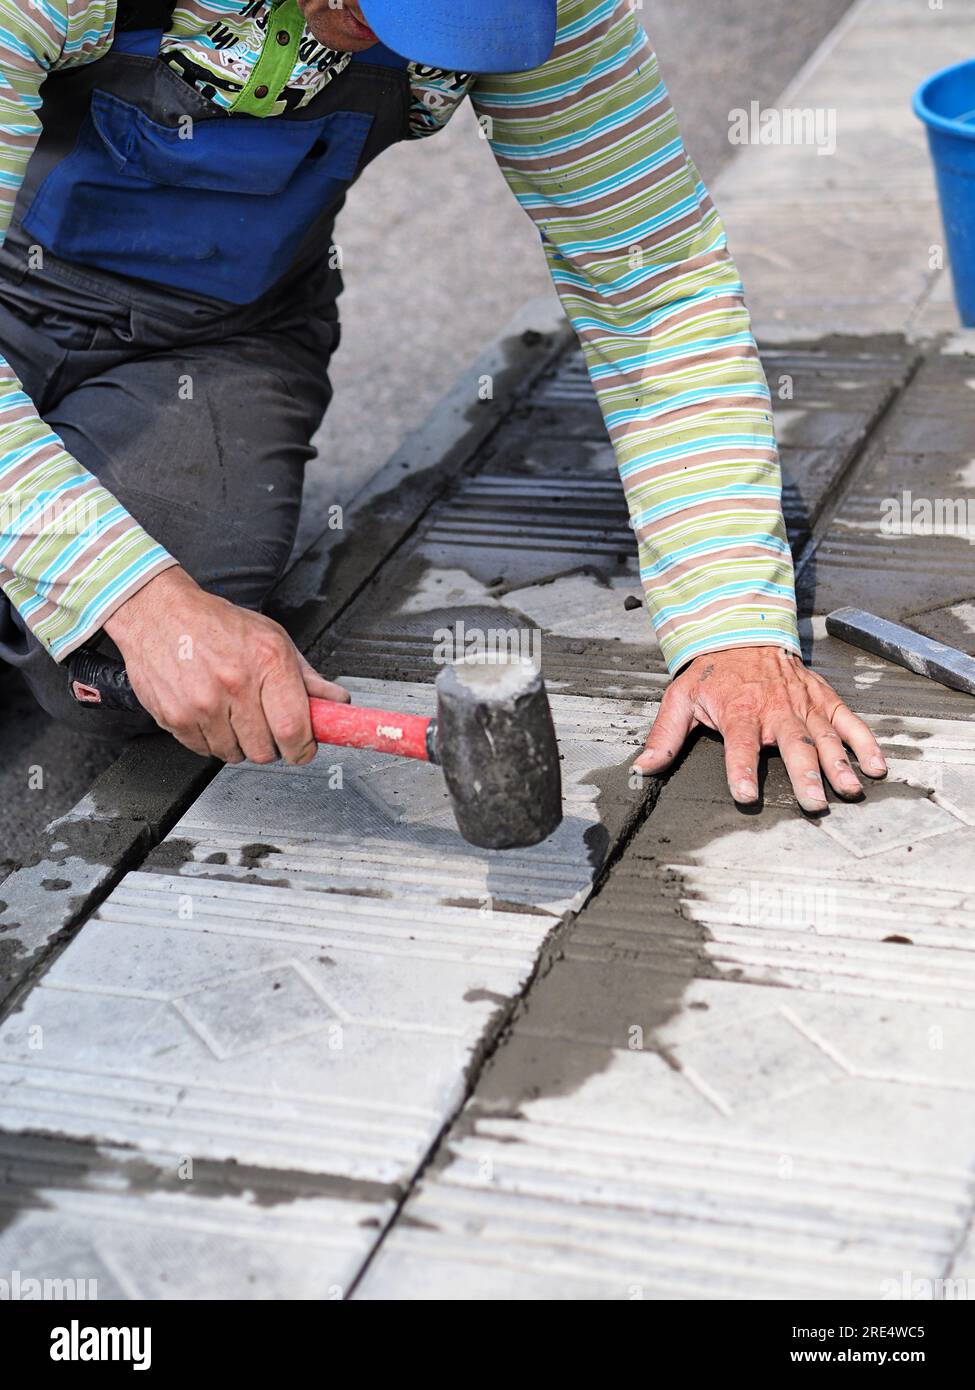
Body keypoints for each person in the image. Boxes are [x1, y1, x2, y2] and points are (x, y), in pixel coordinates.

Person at [0, 0, 886, 807]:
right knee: (126, 603)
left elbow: (651, 282)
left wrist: (732, 625)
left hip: (213, 332)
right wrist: (138, 595)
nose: (392, 44)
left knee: (140, 668)